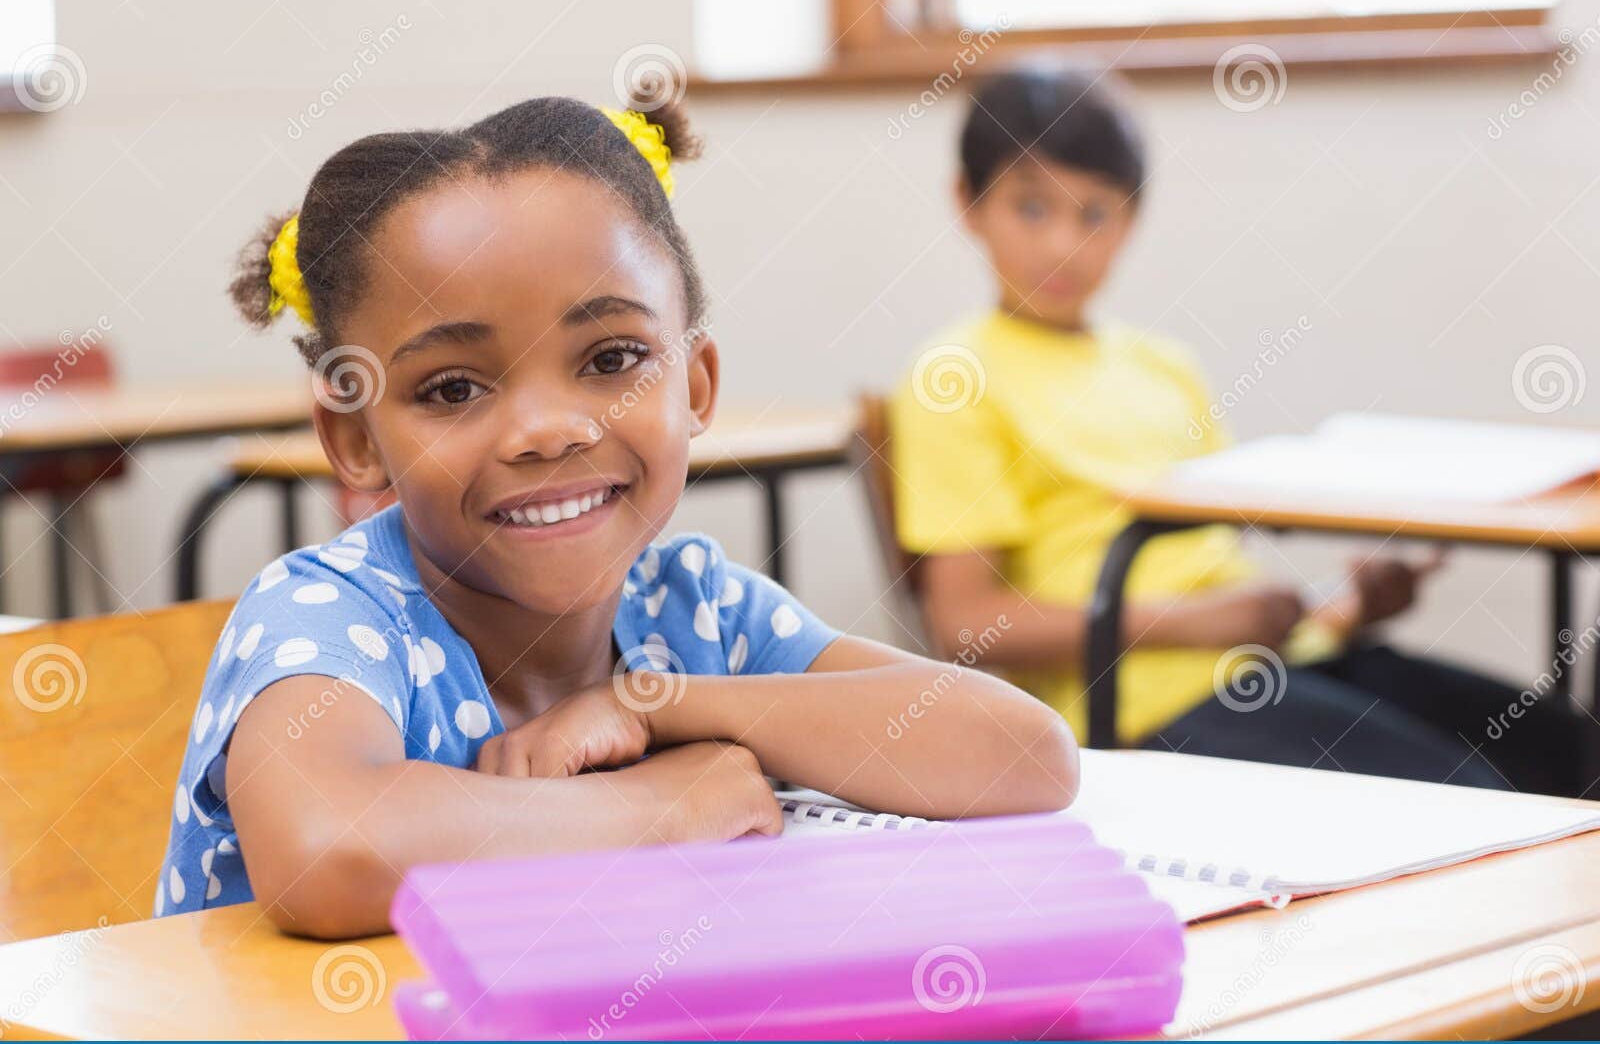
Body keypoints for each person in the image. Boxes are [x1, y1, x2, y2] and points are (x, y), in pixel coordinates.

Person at [159, 95, 1077, 939]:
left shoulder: (693, 609)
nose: (548, 429)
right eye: (451, 387)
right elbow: (329, 847)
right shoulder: (332, 615)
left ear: (697, 384)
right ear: (355, 437)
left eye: (610, 358)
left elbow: (1023, 754)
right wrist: (665, 806)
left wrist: (654, 704)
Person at [890, 65, 1597, 799]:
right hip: (1147, 703)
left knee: (1567, 748)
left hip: (1275, 659)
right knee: (1478, 795)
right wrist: (1196, 623)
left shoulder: (1164, 367)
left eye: (1094, 213)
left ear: (1131, 219)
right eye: (1031, 208)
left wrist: (1346, 606)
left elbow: (1215, 574)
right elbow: (967, 623)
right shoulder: (956, 376)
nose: (1063, 243)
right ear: (968, 204)